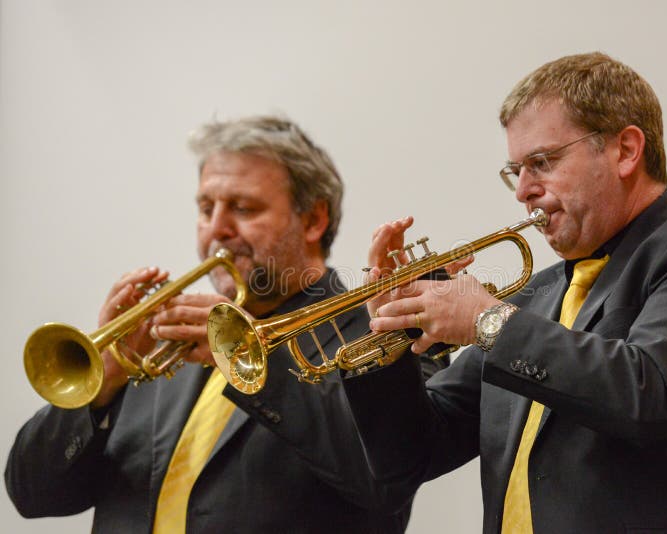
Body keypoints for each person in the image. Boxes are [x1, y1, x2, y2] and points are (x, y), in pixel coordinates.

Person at [344, 52, 667, 533]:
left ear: (625, 151)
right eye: (516, 170)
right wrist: (390, 342)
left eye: (542, 162)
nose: (523, 190)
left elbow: (647, 392)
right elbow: (410, 458)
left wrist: (488, 322)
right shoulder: (536, 297)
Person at [6, 115, 445, 532]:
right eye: (205, 207)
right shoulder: (162, 343)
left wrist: (243, 354)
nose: (216, 228)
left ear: (313, 220)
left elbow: (387, 480)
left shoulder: (381, 330)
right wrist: (103, 381)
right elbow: (32, 495)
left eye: (243, 207)